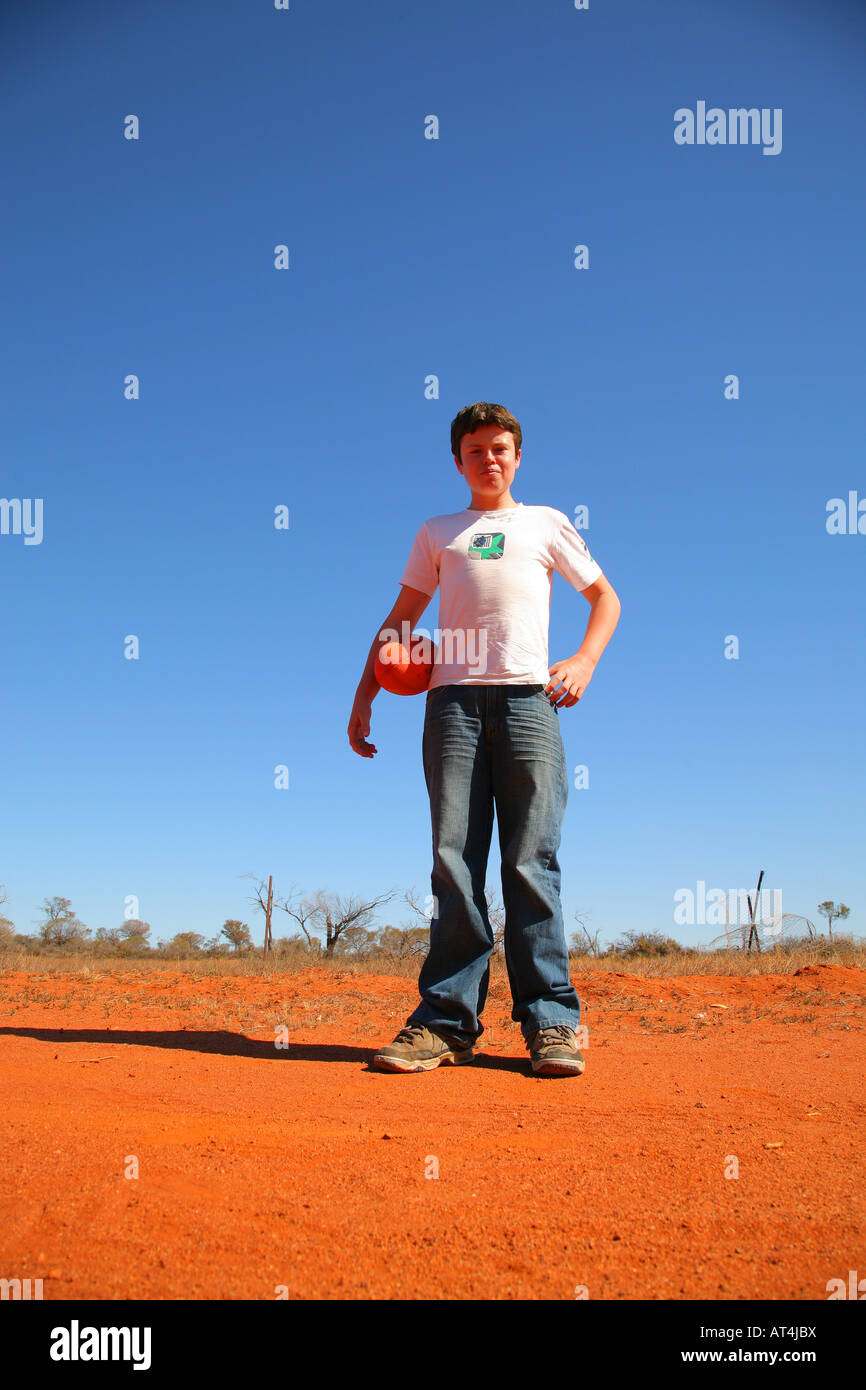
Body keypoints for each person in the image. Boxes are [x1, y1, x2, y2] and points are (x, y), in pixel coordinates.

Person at [347, 402, 620, 1076]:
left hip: (529, 701)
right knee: (454, 863)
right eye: (475, 450)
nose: (489, 459)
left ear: (517, 456)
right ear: (459, 461)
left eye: (500, 448)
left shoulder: (546, 523)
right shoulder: (438, 532)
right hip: (453, 707)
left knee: (531, 862)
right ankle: (443, 1024)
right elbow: (401, 618)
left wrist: (583, 661)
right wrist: (365, 691)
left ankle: (552, 1025)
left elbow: (606, 598)